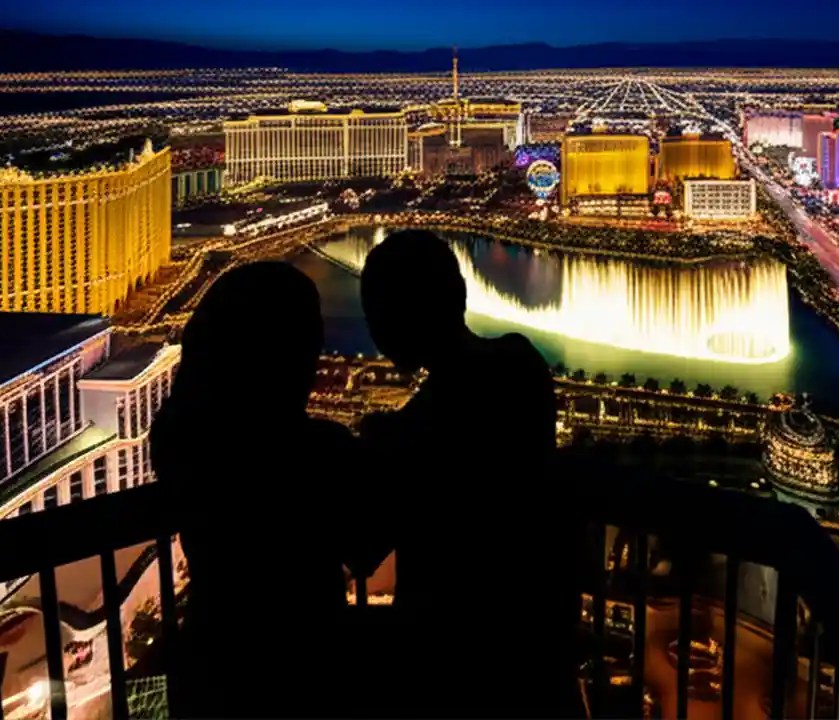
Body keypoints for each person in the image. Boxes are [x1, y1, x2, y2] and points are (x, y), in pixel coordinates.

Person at [359, 230, 582, 718]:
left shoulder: (415, 431)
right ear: (460, 294)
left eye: (377, 311)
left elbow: (362, 547)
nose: (372, 328)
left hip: (450, 662)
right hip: (534, 647)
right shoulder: (521, 363)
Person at [151, 262, 360, 718]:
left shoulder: (178, 439)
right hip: (306, 664)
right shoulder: (319, 453)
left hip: (213, 661)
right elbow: (366, 548)